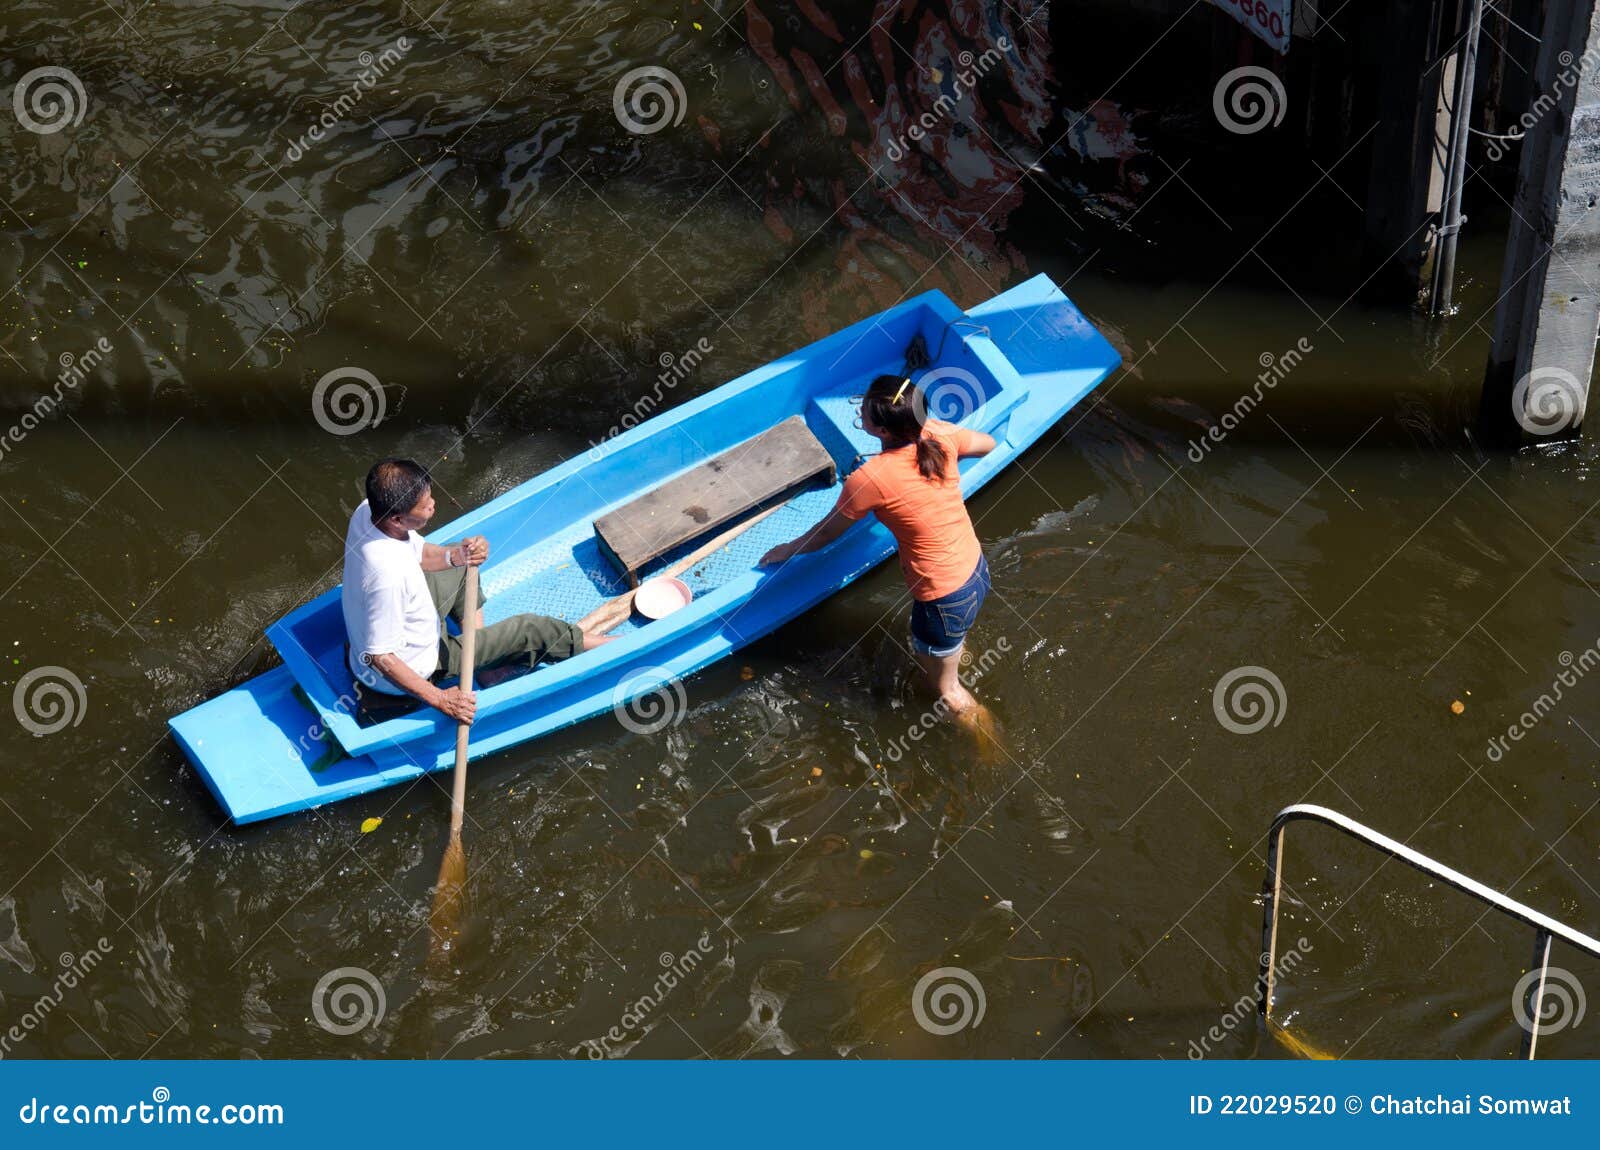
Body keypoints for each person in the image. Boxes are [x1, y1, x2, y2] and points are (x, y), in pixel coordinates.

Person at [759, 375, 996, 722]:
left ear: (881, 430)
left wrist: (787, 549)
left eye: (864, 412)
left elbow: (825, 535)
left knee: (948, 691)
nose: (860, 415)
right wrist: (935, 428)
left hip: (943, 598)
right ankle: (952, 648)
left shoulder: (869, 479)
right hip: (976, 570)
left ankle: (987, 743)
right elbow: (987, 443)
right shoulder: (941, 437)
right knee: (948, 642)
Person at [342, 459, 613, 725]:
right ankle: (614, 648)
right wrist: (440, 699)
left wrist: (460, 555)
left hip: (407, 623)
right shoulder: (388, 577)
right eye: (425, 506)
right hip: (418, 664)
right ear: (399, 519)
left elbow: (419, 553)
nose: (433, 504)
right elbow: (382, 657)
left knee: (459, 563)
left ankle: (483, 662)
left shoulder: (368, 512)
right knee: (530, 629)